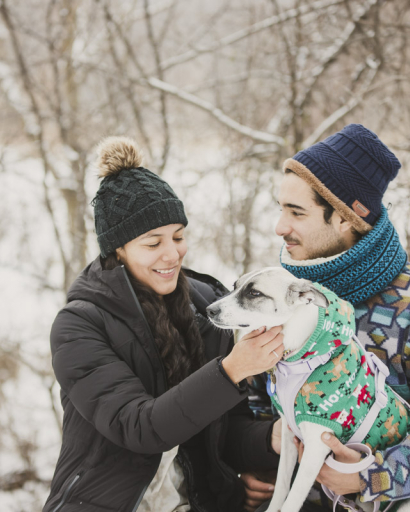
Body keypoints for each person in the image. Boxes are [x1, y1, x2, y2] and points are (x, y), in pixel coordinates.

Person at [242, 124, 410, 511]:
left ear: (346, 218)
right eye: (280, 209)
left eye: (296, 212)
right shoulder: (277, 294)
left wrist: (372, 477)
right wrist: (257, 460)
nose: (280, 227)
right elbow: (255, 404)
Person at [44, 137, 286, 512]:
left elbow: (225, 431)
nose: (172, 253)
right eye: (153, 242)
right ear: (117, 249)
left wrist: (272, 441)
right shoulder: (79, 324)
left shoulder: (206, 305)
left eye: (178, 236)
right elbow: (138, 426)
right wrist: (232, 369)